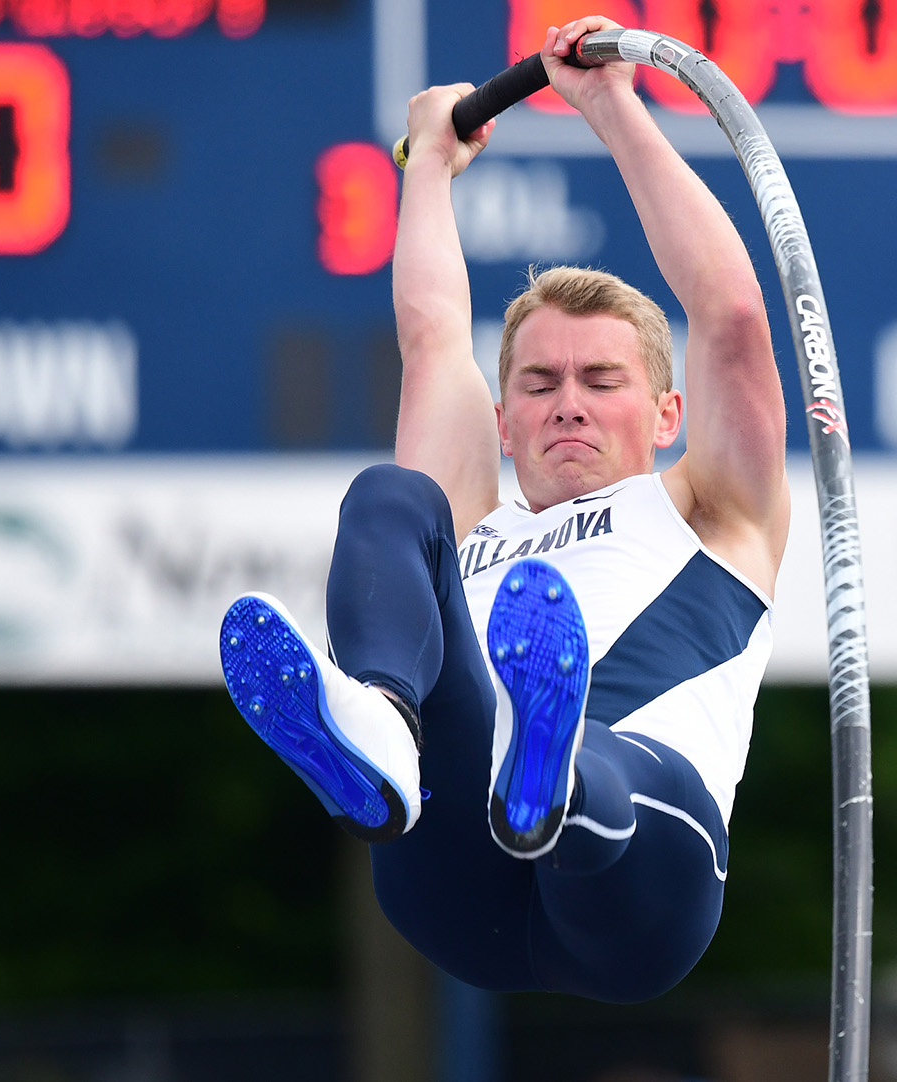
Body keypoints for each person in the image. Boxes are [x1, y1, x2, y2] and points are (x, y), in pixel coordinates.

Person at [216, 13, 789, 1004]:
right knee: (391, 497)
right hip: (453, 880)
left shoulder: (711, 505)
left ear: (667, 413)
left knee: (590, 754)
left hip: (644, 879)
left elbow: (731, 314)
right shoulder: (477, 523)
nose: (566, 397)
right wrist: (428, 164)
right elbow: (435, 333)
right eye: (539, 382)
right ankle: (385, 730)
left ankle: (553, 775)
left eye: (600, 377)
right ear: (504, 420)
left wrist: (614, 106)